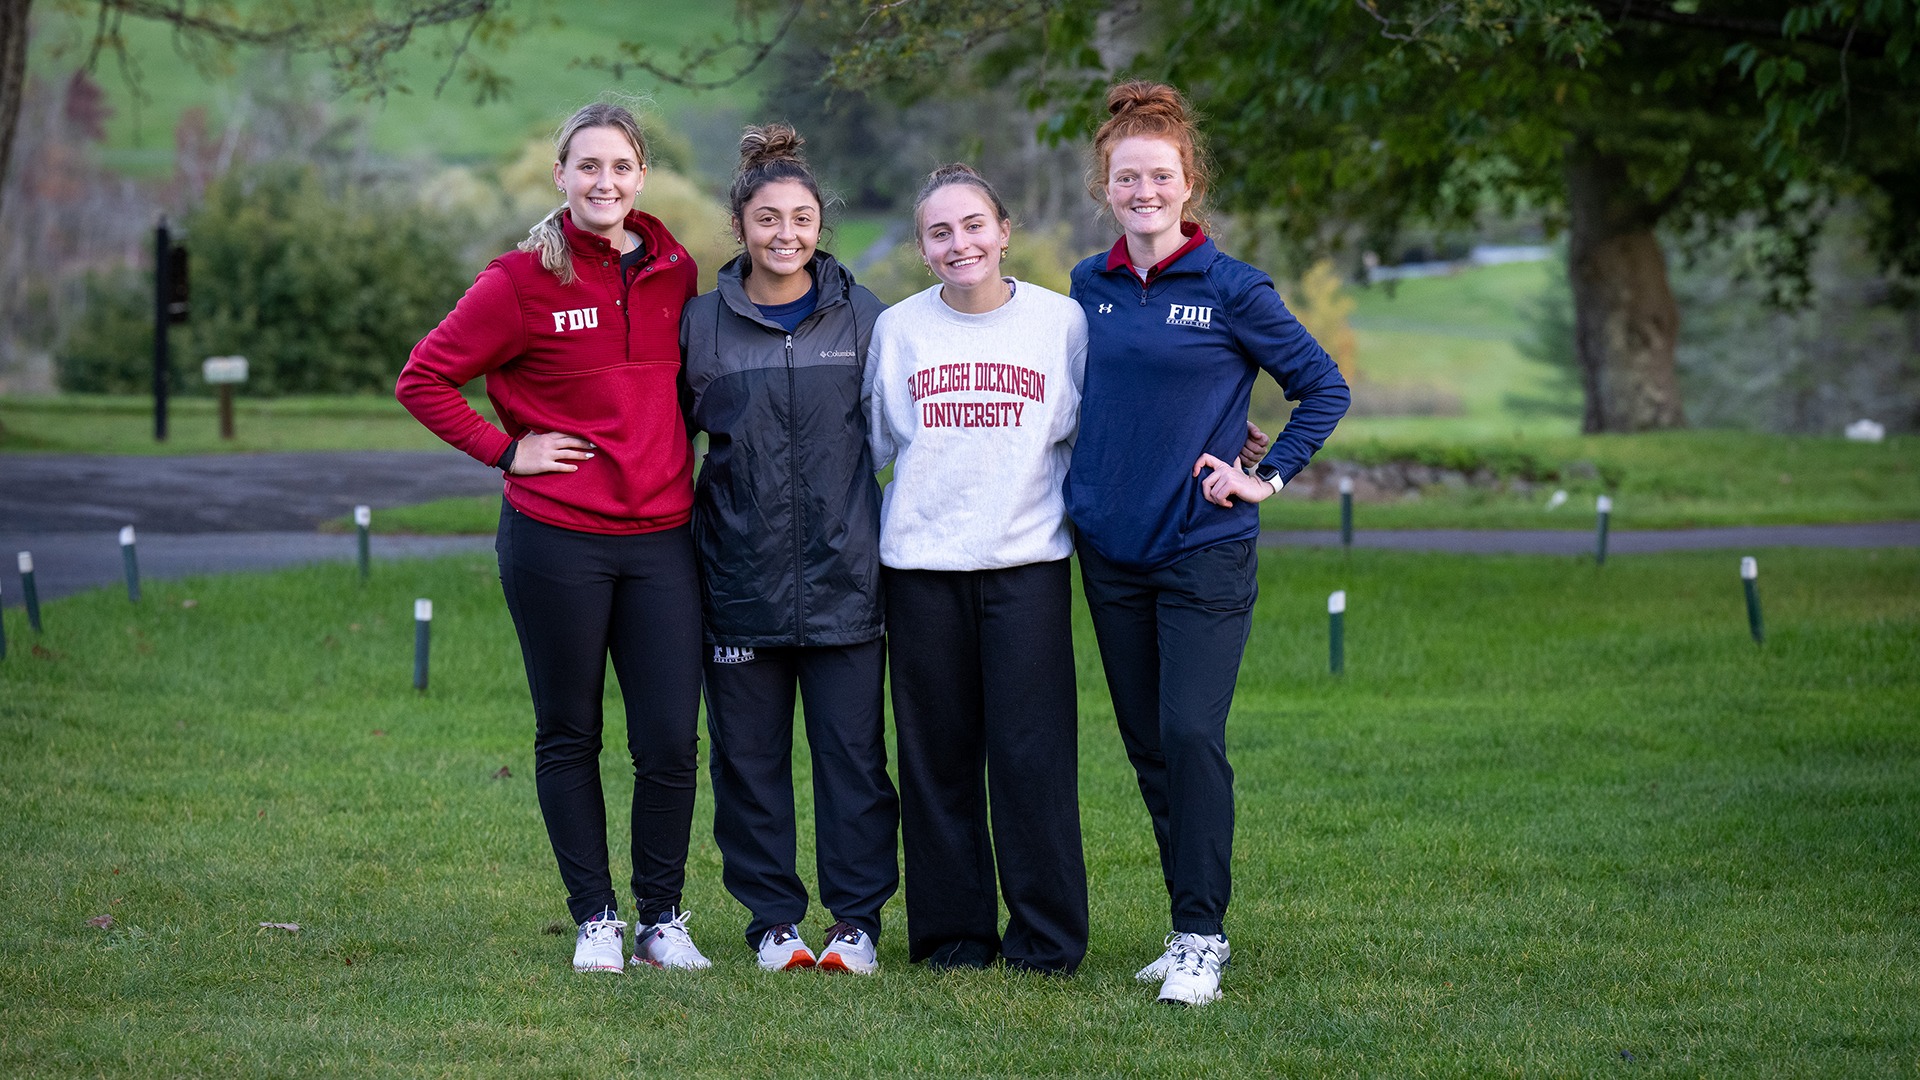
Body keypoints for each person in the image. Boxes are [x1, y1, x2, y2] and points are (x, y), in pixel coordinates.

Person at [396, 101, 712, 975]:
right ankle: (597, 920)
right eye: (587, 167)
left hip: (663, 541)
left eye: (619, 166)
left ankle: (663, 918)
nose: (603, 182)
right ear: (561, 178)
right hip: (557, 541)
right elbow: (423, 378)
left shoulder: (677, 269)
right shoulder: (517, 281)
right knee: (569, 732)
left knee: (669, 740)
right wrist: (507, 449)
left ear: (641, 175)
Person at [1065, 81, 1351, 1006]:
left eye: (1161, 174)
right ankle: (1183, 920)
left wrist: (1262, 476)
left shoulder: (1231, 286)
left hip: (1202, 548)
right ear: (1105, 187)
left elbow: (1324, 389)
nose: (1143, 190)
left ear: (1189, 184)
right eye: (1127, 176)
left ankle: (1202, 937)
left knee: (1191, 734)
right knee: (1149, 745)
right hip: (1111, 549)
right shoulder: (1086, 286)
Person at [679, 124, 897, 975]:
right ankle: (774, 924)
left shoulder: (864, 313)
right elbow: (659, 434)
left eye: (801, 218)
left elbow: (908, 429)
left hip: (847, 582)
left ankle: (857, 926)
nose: (785, 235)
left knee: (855, 763)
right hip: (737, 583)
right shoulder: (701, 323)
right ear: (741, 226)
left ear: (819, 224)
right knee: (749, 765)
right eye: (768, 219)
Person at [864, 164, 1090, 975]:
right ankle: (953, 939)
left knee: (1034, 760)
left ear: (1003, 231)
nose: (960, 243)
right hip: (922, 570)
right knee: (936, 760)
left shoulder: (1061, 325)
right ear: (924, 250)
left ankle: (1048, 942)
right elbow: (873, 449)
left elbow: (1095, 434)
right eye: (939, 232)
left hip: (1027, 568)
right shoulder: (899, 332)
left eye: (972, 226)